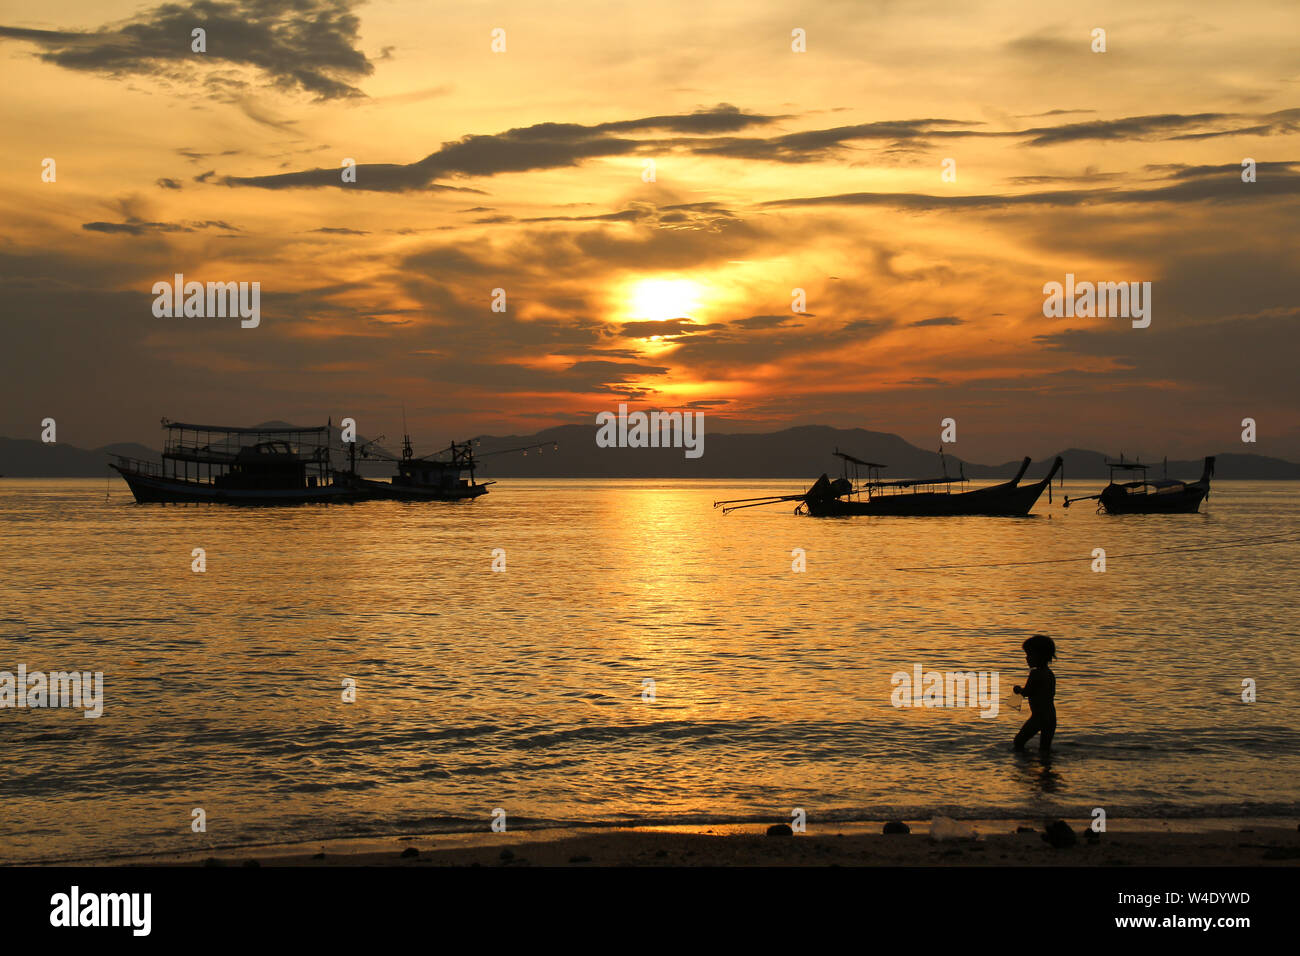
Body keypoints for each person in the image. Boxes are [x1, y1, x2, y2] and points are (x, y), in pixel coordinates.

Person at [1012, 634, 1057, 751]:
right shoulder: (1050, 673)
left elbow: (1026, 692)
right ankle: (1046, 766)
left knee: (1018, 741)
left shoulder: (1035, 674)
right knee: (1045, 748)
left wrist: (1018, 690)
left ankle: (1024, 764)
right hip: (1051, 716)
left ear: (1040, 656)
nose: (1026, 658)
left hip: (1039, 717)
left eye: (1029, 655)